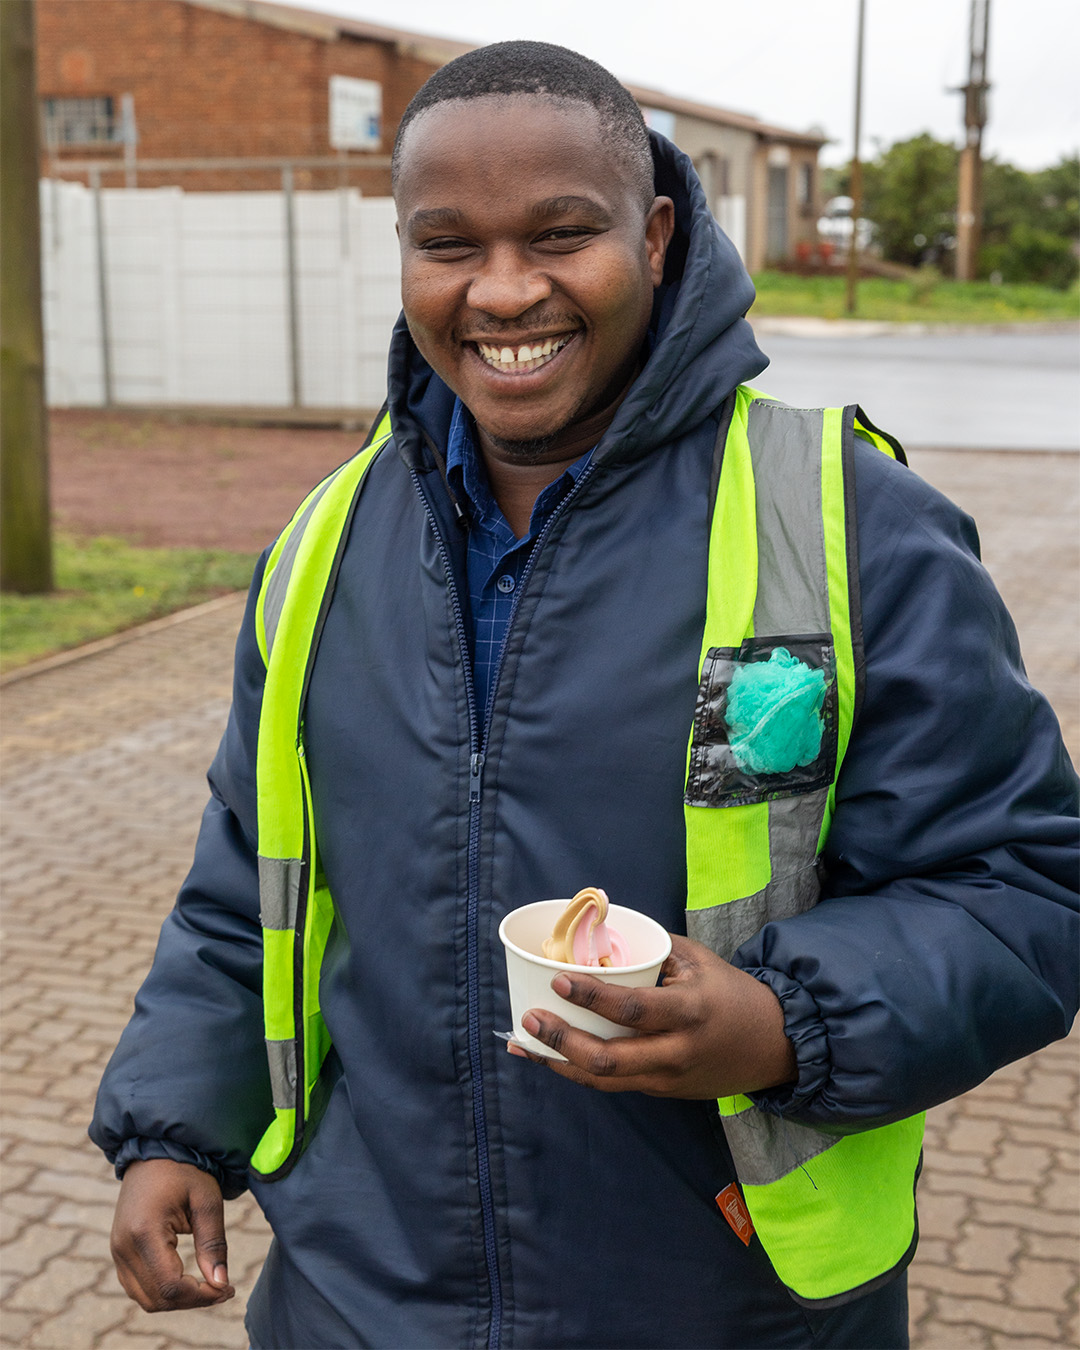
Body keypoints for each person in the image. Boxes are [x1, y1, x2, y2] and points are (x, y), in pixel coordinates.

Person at [91, 41, 1079, 1350]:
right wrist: (173, 1124)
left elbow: (1021, 889)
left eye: (562, 234)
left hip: (729, 1309)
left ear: (657, 235)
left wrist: (786, 1023)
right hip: (357, 1300)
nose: (504, 291)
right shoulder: (323, 544)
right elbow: (246, 887)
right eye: (449, 243)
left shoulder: (848, 524)